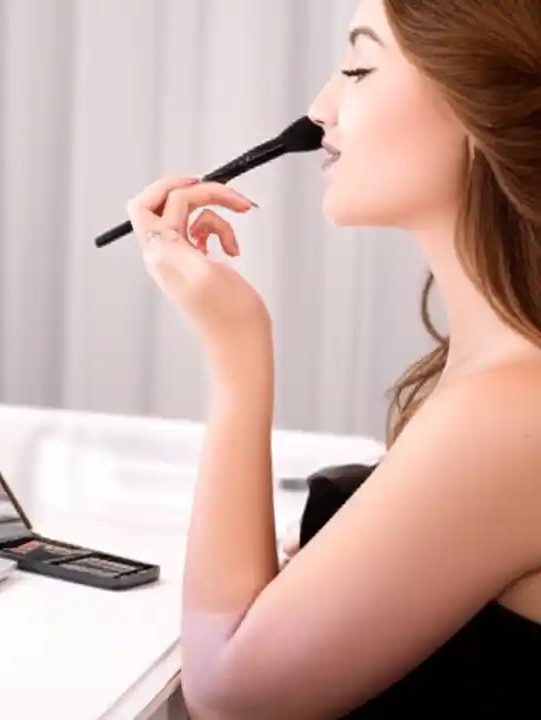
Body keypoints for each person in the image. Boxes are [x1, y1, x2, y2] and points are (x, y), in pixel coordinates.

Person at [127, 0, 541, 716]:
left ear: (482, 101)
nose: (321, 107)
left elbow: (229, 696)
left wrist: (238, 356)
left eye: (359, 67)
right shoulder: (492, 376)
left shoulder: (510, 413)